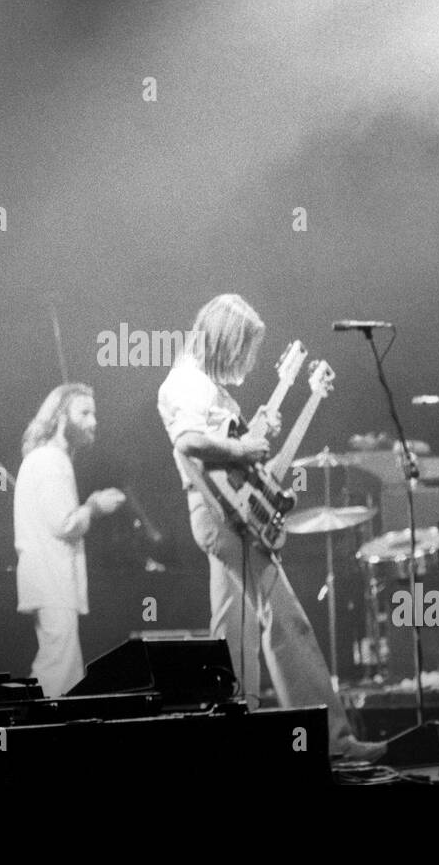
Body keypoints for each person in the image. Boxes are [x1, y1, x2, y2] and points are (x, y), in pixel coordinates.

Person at [157, 293, 385, 761]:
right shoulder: (186, 382)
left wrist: (251, 437)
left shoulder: (206, 387)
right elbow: (188, 442)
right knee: (289, 625)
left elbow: (226, 446)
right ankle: (336, 743)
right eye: (244, 349)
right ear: (226, 339)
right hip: (222, 518)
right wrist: (244, 450)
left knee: (233, 634)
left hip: (223, 515)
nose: (247, 360)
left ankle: (235, 741)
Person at [14, 383, 125, 696]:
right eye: (85, 413)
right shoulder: (51, 461)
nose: (93, 421)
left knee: (67, 668)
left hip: (51, 579)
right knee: (58, 669)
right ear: (62, 417)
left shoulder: (46, 459)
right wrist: (95, 506)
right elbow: (64, 523)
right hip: (52, 578)